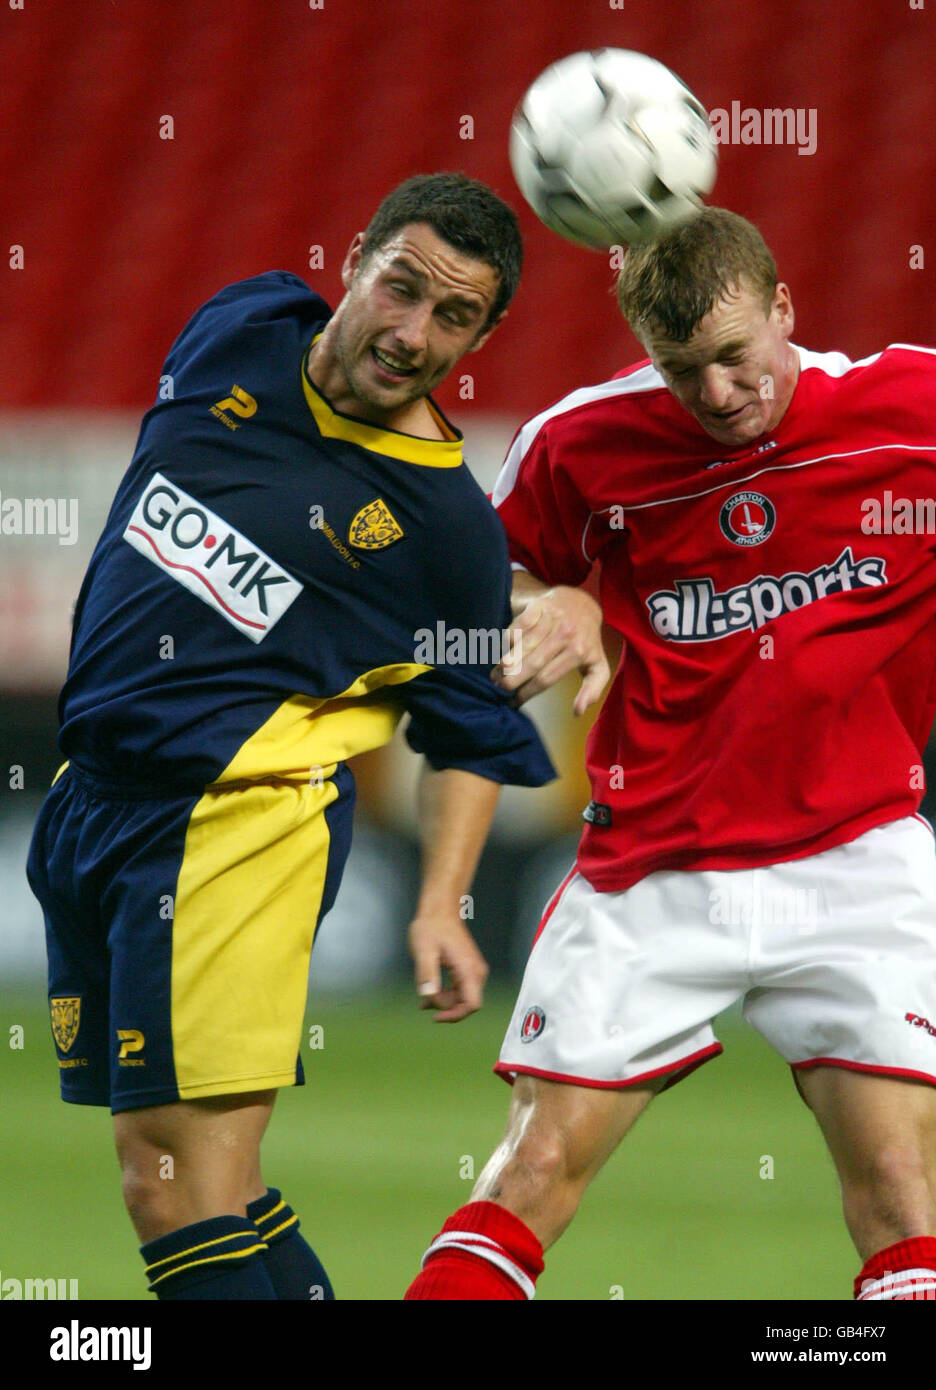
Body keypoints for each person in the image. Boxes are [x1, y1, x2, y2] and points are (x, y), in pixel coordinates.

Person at [26, 172, 554, 1301]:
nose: (414, 333)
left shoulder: (441, 525)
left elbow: (469, 724)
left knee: (172, 1186)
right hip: (90, 802)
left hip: (234, 827)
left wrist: (438, 900)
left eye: (453, 316)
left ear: (483, 332)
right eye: (401, 287)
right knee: (209, 1182)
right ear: (356, 257)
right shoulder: (243, 325)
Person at [405, 207, 936, 1302]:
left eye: (738, 359)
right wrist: (546, 597)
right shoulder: (581, 441)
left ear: (785, 308)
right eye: (684, 371)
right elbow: (465, 588)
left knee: (900, 1189)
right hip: (654, 859)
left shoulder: (912, 409)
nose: (719, 396)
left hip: (857, 853)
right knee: (531, 1170)